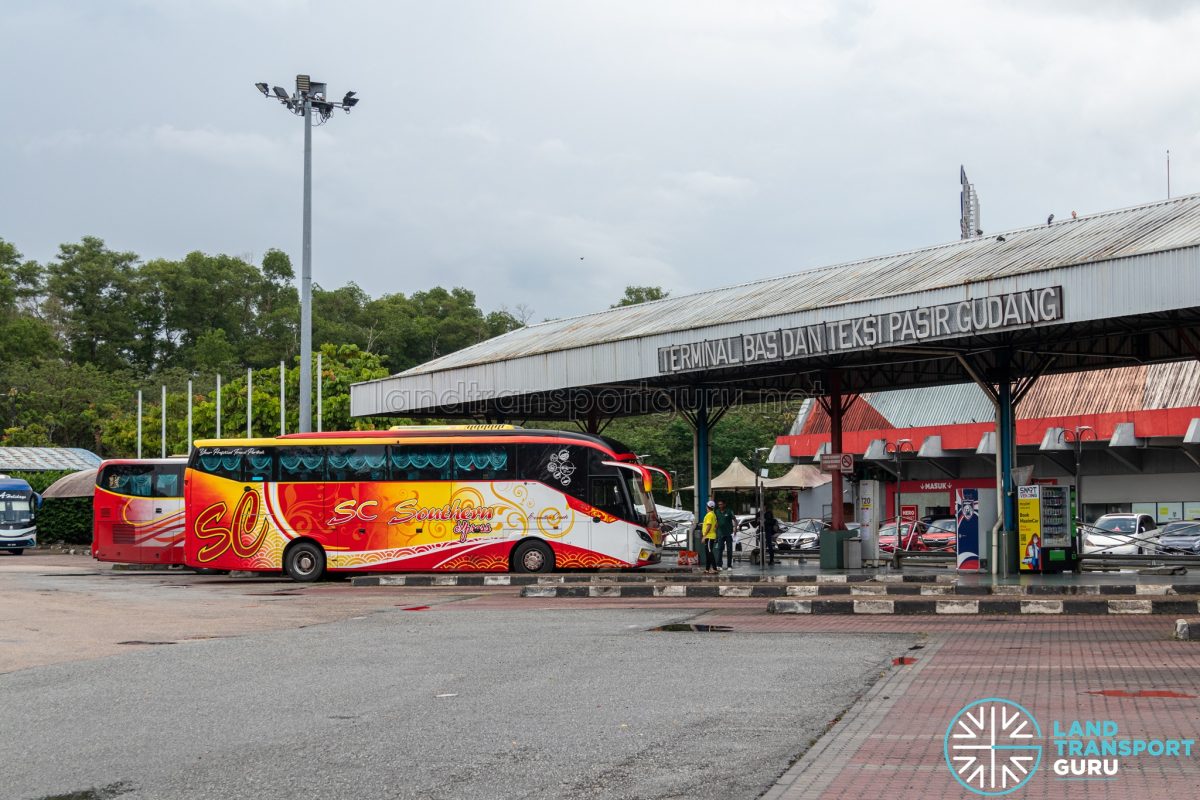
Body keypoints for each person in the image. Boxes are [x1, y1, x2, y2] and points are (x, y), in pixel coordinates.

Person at [715, 499, 736, 570]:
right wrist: (715, 531)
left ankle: (729, 565)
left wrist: (735, 529)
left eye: (721, 504)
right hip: (720, 533)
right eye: (719, 505)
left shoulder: (729, 511)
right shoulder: (717, 511)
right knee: (719, 549)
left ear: (724, 504)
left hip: (728, 533)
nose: (720, 506)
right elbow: (716, 522)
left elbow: (735, 520)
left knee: (729, 550)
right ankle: (719, 565)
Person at [701, 500, 718, 574]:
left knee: (710, 552)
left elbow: (709, 525)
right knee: (708, 553)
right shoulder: (713, 514)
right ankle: (707, 569)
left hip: (709, 537)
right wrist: (713, 530)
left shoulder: (709, 515)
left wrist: (704, 536)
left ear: (707, 507)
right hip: (711, 536)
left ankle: (714, 568)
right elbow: (716, 525)